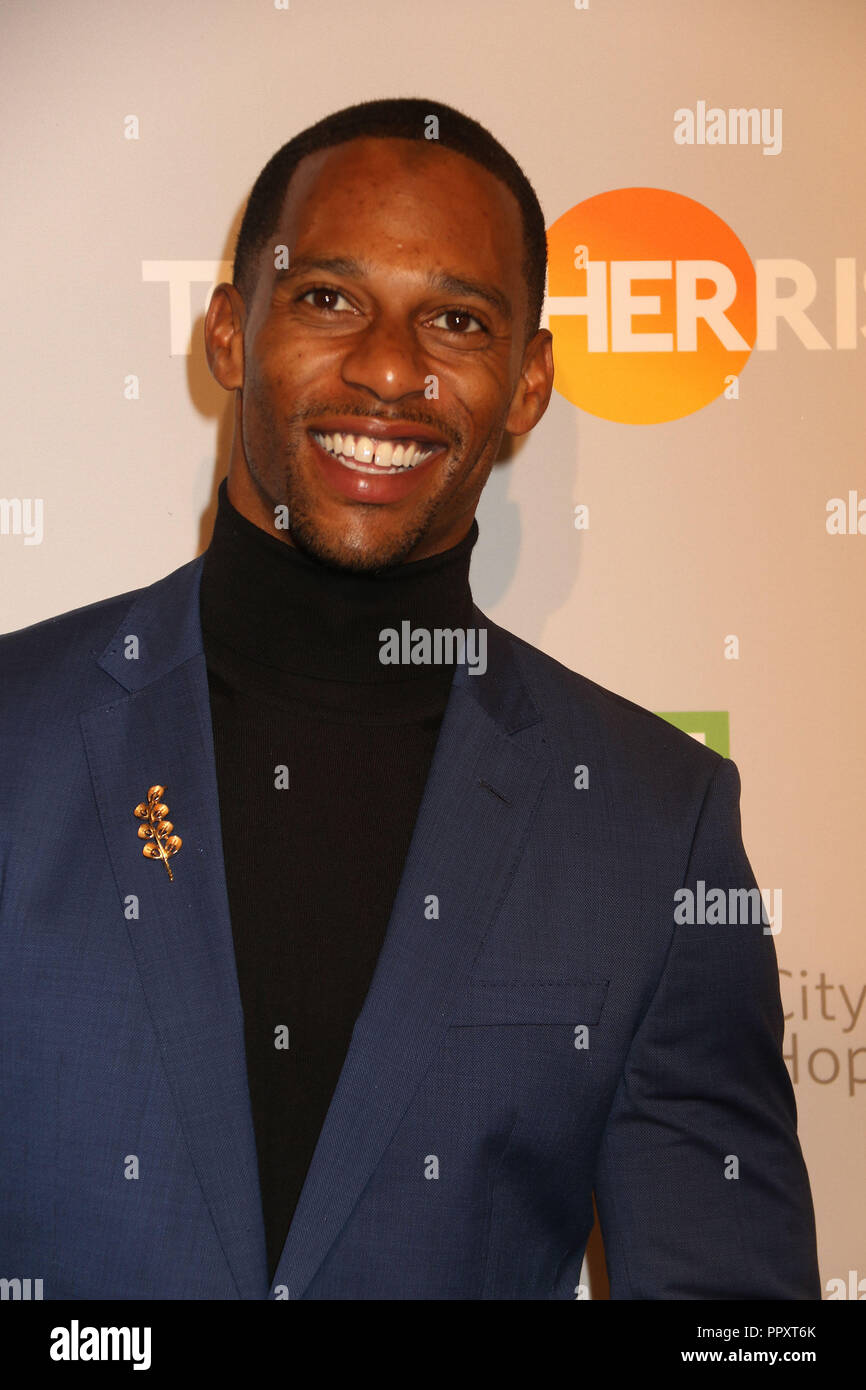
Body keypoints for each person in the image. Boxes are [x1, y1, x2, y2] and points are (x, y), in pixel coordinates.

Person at [0, 97, 819, 1300]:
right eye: (328, 298)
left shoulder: (651, 823)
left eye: (455, 319)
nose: (387, 369)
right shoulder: (14, 740)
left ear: (528, 383)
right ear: (230, 332)